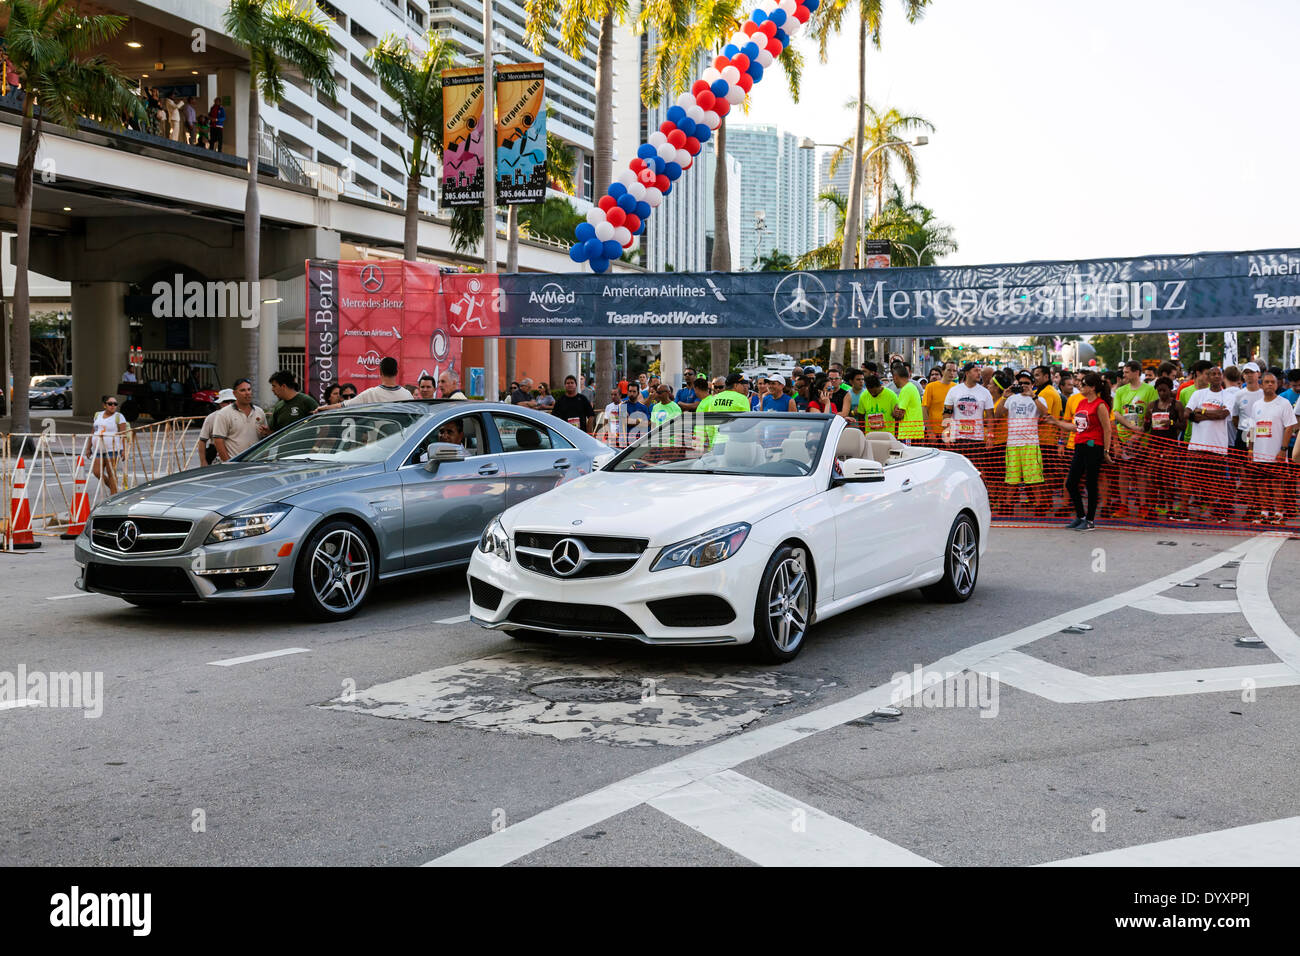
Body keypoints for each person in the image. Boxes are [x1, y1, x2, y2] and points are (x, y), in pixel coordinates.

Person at [1052, 371, 1114, 531]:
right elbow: (1075, 427)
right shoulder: (1081, 403)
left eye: (1084, 384)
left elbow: (1107, 429)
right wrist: (1056, 422)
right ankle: (1081, 516)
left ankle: (1090, 520)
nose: (1080, 386)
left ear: (1092, 387)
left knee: (1091, 483)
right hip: (1079, 445)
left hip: (1094, 446)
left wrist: (1106, 451)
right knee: (1071, 482)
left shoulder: (1100, 405)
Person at [994, 371, 1050, 515]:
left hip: (1030, 443)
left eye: (1027, 383)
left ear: (1032, 384)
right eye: (1021, 383)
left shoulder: (1039, 398)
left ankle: (1039, 505)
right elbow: (998, 414)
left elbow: (1045, 413)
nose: (1023, 385)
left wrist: (1033, 396)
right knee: (1011, 478)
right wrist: (1004, 397)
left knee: (1034, 478)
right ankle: (1008, 505)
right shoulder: (1012, 398)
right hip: (1012, 444)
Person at [1184, 365, 1233, 522]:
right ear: (1208, 377)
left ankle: (1208, 509)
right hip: (1196, 445)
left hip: (1217, 446)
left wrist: (1202, 412)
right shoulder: (1198, 394)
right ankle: (1184, 509)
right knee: (1190, 478)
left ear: (1222, 377)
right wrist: (1201, 414)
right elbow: (1187, 413)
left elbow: (1223, 414)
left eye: (1219, 374)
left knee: (1213, 481)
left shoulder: (1228, 395)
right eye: (1213, 374)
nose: (1217, 376)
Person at [1246, 371, 1297, 524]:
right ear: (1261, 385)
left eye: (1272, 382)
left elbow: (1289, 427)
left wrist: (1283, 449)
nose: (1270, 384)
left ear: (1277, 385)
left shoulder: (1284, 403)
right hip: (1259, 453)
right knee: (1261, 484)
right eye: (1267, 382)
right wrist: (1250, 449)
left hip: (1276, 454)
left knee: (1277, 484)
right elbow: (1252, 428)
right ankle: (1264, 513)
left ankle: (1278, 514)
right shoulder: (1256, 405)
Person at [1112, 360, 1158, 519]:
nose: (1124, 375)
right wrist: (1130, 429)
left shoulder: (1149, 390)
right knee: (1123, 473)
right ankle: (1123, 506)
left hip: (1142, 441)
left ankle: (1143, 506)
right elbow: (1116, 413)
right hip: (1123, 438)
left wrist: (1139, 433)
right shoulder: (1120, 391)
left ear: (1137, 372)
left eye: (1127, 372)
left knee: (1141, 473)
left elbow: (1152, 413)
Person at [1144, 377, 1187, 519]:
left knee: (1168, 476)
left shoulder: (1177, 405)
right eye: (1159, 391)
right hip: (1154, 445)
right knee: (1152, 476)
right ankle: (1152, 508)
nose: (1162, 393)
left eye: (1164, 390)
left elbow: (1184, 425)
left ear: (1170, 390)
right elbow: (1147, 427)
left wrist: (1171, 422)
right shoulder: (1152, 405)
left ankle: (1170, 508)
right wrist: (1147, 419)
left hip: (1170, 445)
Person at [943, 362, 995, 460]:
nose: (979, 373)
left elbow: (990, 416)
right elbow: (946, 414)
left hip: (977, 439)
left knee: (975, 467)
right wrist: (946, 434)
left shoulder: (985, 392)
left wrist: (990, 436)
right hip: (957, 438)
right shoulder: (954, 390)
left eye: (979, 371)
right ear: (967, 373)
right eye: (975, 371)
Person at [317, 358, 412, 409]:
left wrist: (322, 409)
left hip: (378, 439)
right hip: (402, 439)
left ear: (380, 372)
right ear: (396, 372)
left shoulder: (371, 394)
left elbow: (343, 405)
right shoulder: (407, 395)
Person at [211, 379, 268, 461]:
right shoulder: (224, 413)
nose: (247, 393)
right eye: (242, 390)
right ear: (235, 393)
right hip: (234, 463)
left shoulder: (259, 412)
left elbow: (265, 438)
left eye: (249, 389)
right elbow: (218, 441)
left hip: (255, 463)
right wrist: (229, 463)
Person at [86, 395, 129, 494]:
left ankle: (113, 493)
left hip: (112, 449)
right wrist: (88, 447)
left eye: (115, 404)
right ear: (104, 405)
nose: (113, 406)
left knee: (111, 473)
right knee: (97, 472)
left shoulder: (119, 417)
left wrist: (124, 450)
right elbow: (93, 431)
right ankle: (114, 489)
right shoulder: (98, 415)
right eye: (110, 404)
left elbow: (123, 434)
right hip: (98, 449)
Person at [195, 388, 236, 466]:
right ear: (220, 403)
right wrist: (203, 461)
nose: (230, 404)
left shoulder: (242, 415)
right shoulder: (212, 418)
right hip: (217, 459)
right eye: (226, 402)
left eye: (232, 401)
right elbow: (202, 441)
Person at [922, 360, 957, 442]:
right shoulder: (931, 387)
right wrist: (930, 432)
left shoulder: (956, 387)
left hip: (951, 432)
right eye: (949, 370)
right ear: (943, 371)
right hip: (934, 432)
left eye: (954, 371)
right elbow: (924, 410)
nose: (952, 373)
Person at [891, 363, 925, 443]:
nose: (893, 381)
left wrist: (893, 412)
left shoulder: (906, 389)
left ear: (895, 377)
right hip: (914, 432)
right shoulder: (911, 387)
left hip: (908, 433)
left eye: (893, 378)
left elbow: (899, 414)